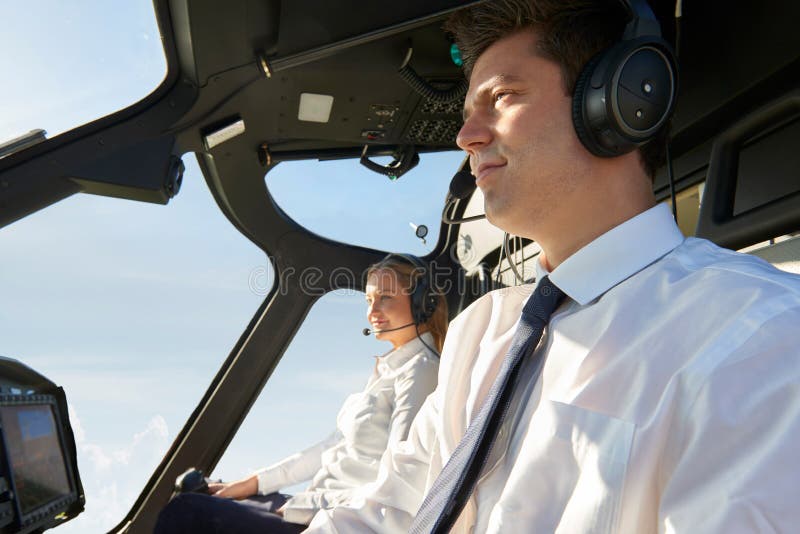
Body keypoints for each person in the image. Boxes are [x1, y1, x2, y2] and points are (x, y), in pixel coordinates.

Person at [304, 1, 800, 533]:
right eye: (469, 111)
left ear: (618, 102)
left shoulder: (760, 336)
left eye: (502, 97)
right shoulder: (481, 328)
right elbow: (390, 513)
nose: (466, 136)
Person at [154, 254, 448, 533]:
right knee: (214, 493)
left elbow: (397, 482)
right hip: (317, 504)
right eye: (369, 299)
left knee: (186, 512)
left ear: (423, 303)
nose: (372, 312)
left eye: (385, 298)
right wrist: (252, 484)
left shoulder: (420, 370)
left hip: (338, 520)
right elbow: (330, 449)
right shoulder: (391, 369)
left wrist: (300, 506)